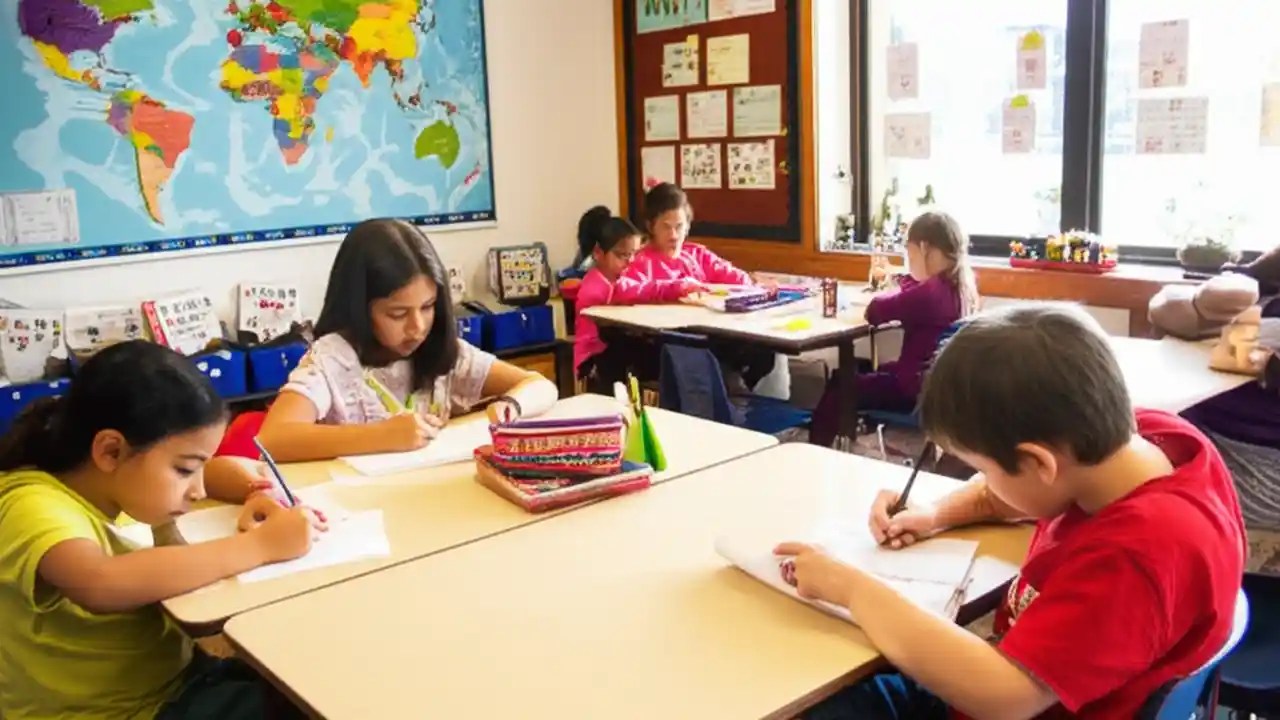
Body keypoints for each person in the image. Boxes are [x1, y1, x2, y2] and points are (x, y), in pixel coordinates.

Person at [779, 304, 1246, 719]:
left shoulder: (1133, 557)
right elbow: (1018, 492)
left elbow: (1005, 698)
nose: (982, 480)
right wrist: (937, 514)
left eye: (981, 467)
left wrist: (854, 589)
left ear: (1038, 462)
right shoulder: (1144, 442)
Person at [0, 340, 320, 719]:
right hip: (121, 711)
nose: (197, 489)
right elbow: (101, 583)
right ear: (110, 451)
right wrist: (262, 546)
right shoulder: (31, 505)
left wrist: (256, 491)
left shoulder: (111, 484)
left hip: (173, 680)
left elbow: (212, 473)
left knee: (304, 678)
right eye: (185, 470)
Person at [259, 219, 559, 462]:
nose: (417, 327)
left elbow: (540, 385)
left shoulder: (440, 350)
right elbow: (273, 439)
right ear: (360, 309)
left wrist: (512, 404)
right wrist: (382, 436)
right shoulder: (334, 358)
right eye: (397, 313)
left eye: (428, 307)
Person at [809, 211, 979, 447]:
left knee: (843, 383)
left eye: (909, 253)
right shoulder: (959, 286)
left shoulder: (928, 295)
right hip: (933, 382)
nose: (909, 260)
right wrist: (903, 279)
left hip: (912, 388)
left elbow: (876, 311)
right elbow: (911, 292)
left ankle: (817, 448)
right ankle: (837, 442)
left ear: (924, 248)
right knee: (855, 369)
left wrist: (898, 283)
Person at [1152, 244, 1280, 529]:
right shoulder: (1252, 291)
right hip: (1212, 434)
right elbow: (1168, 312)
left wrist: (1270, 367)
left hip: (1259, 469)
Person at [623, 182, 778, 391]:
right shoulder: (641, 261)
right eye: (666, 227)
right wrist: (676, 287)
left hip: (713, 334)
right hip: (669, 342)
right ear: (651, 226)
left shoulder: (696, 254)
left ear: (688, 225)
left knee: (765, 350)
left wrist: (754, 284)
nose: (674, 235)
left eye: (679, 226)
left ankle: (735, 393)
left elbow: (732, 275)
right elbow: (627, 290)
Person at [573, 205, 703, 393]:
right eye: (622, 255)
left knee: (658, 351)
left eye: (633, 254)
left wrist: (680, 286)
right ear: (598, 253)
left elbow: (645, 289)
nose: (630, 261)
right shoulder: (594, 286)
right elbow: (636, 292)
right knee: (646, 352)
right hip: (593, 359)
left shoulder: (618, 280)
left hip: (613, 350)